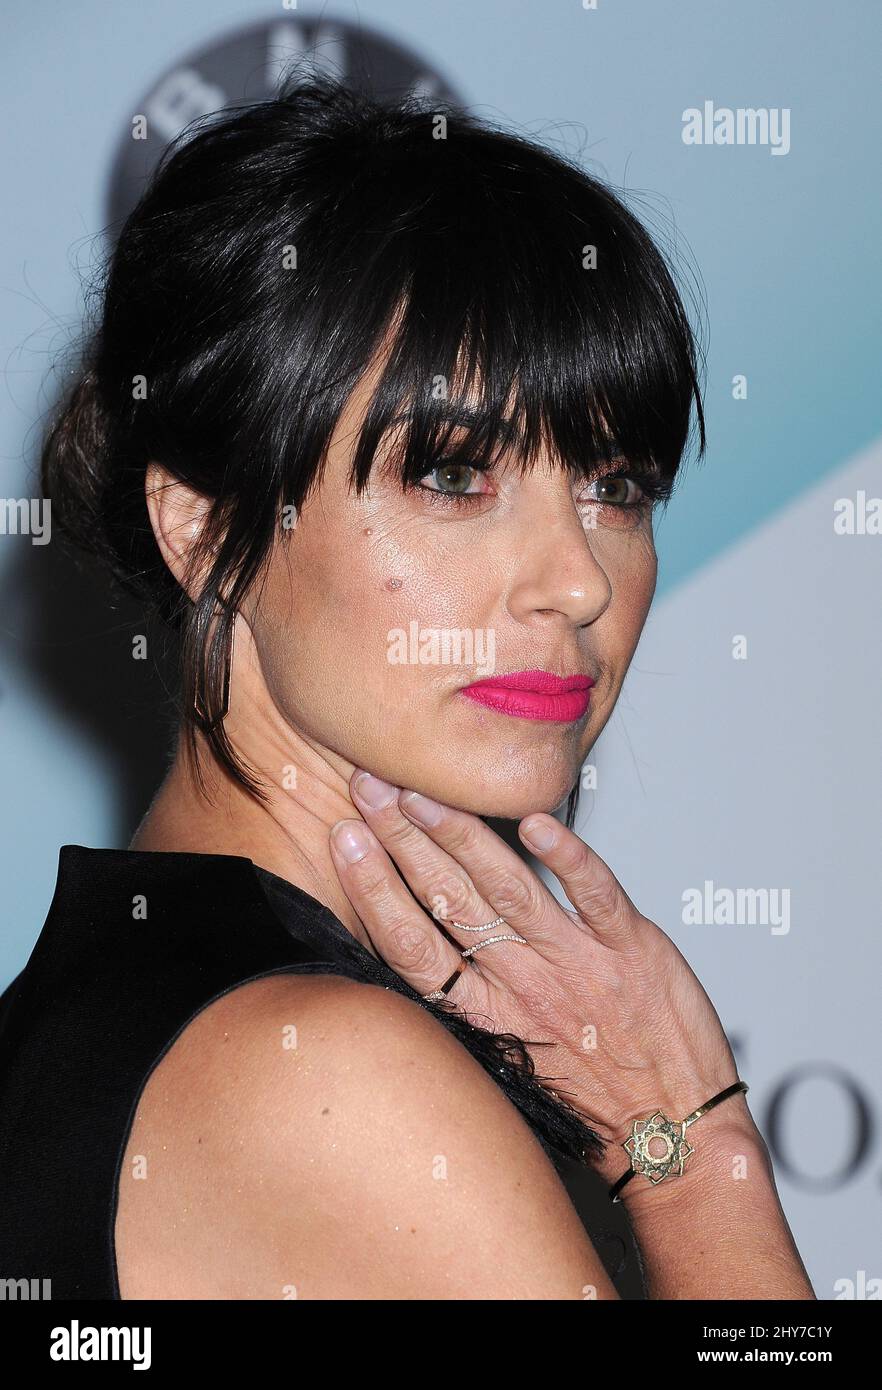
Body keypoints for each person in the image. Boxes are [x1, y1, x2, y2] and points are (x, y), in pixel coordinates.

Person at [0, 75, 814, 1299]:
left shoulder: (110, 999)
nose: (579, 582)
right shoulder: (327, 1076)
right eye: (452, 473)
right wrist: (689, 1144)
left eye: (620, 485)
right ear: (202, 529)